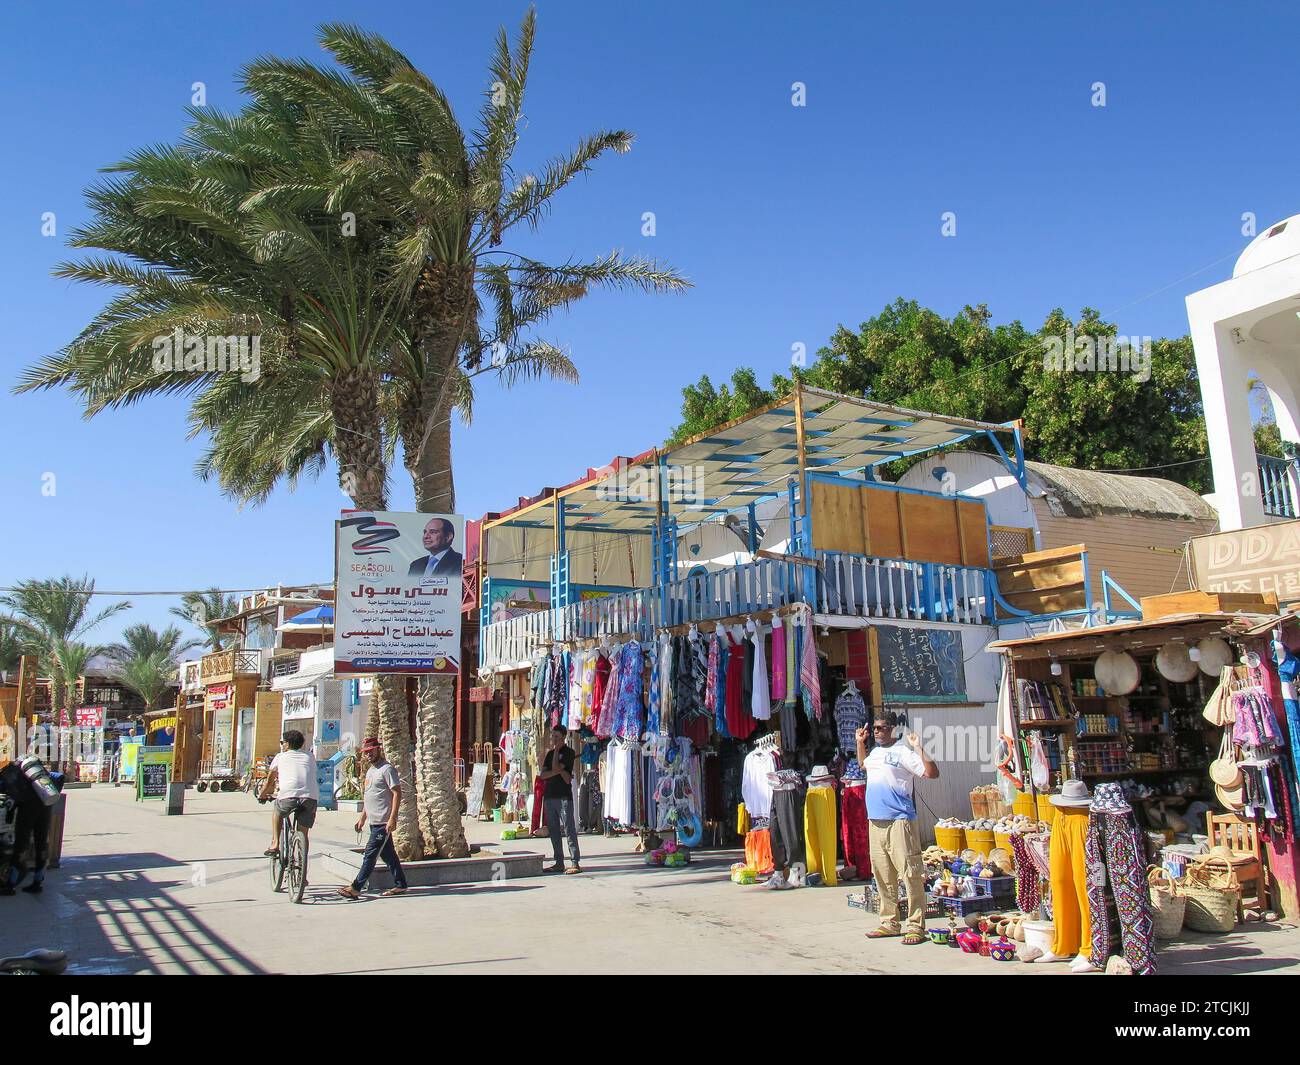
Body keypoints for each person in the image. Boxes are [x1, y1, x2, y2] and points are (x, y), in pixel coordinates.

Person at [856, 712, 939, 945]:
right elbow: (863, 765)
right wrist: (859, 743)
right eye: (874, 728)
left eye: (881, 728)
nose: (877, 732)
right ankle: (889, 922)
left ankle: (916, 925)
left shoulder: (903, 752)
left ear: (893, 729)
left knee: (910, 874)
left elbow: (932, 773)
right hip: (876, 821)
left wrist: (919, 747)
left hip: (900, 821)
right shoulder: (874, 753)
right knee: (882, 875)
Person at [337, 738, 408, 898]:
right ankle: (401, 884)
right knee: (388, 855)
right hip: (373, 821)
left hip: (383, 822)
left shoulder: (387, 769)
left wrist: (393, 818)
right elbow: (369, 797)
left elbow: (397, 792)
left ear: (378, 750)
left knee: (370, 854)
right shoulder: (370, 771)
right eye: (366, 752)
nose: (368, 755)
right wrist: (362, 818)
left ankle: (356, 887)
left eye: (371, 751)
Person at [261, 730, 318, 857]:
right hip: (310, 797)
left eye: (282, 743)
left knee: (277, 810)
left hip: (288, 795)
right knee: (303, 833)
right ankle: (302, 866)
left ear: (287, 744)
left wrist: (262, 794)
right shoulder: (310, 756)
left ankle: (275, 844)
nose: (282, 745)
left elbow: (270, 780)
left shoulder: (280, 757)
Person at [539, 724, 581, 874]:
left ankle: (575, 861)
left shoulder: (569, 752)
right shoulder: (549, 754)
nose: (554, 739)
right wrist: (558, 771)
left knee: (569, 828)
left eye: (557, 737)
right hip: (550, 796)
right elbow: (543, 775)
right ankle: (558, 861)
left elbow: (557, 768)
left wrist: (557, 752)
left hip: (564, 796)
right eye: (553, 736)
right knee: (554, 830)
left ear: (563, 738)